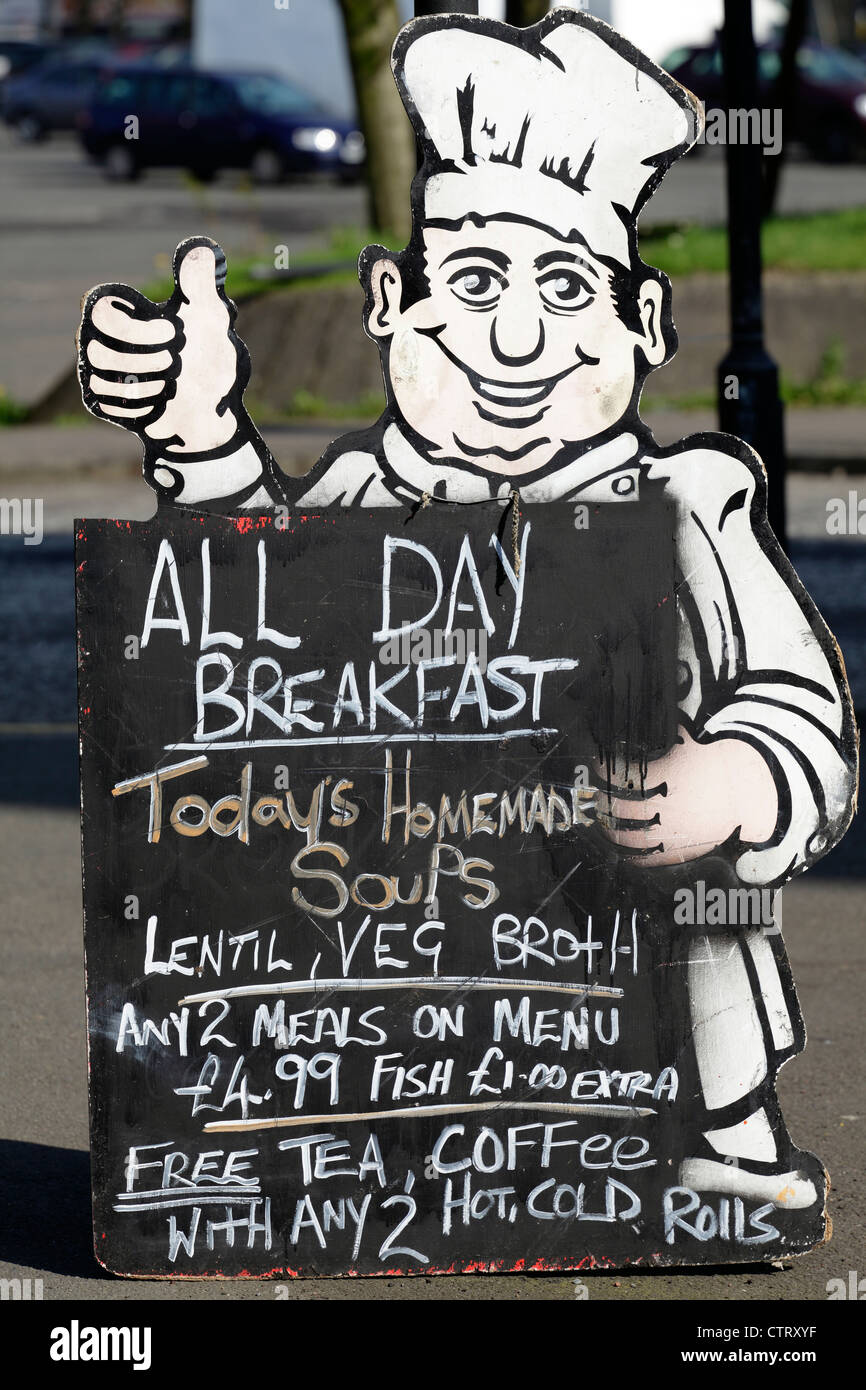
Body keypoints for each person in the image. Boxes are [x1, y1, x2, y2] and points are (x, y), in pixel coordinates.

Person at [78, 9, 856, 1213]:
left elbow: (798, 704)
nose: (514, 336)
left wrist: (741, 778)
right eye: (476, 279)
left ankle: (722, 1159)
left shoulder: (683, 504)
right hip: (399, 1043)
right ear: (390, 300)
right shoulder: (361, 499)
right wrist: (201, 443)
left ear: (641, 325)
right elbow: (235, 640)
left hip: (666, 1075)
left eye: (562, 285)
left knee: (697, 1054)